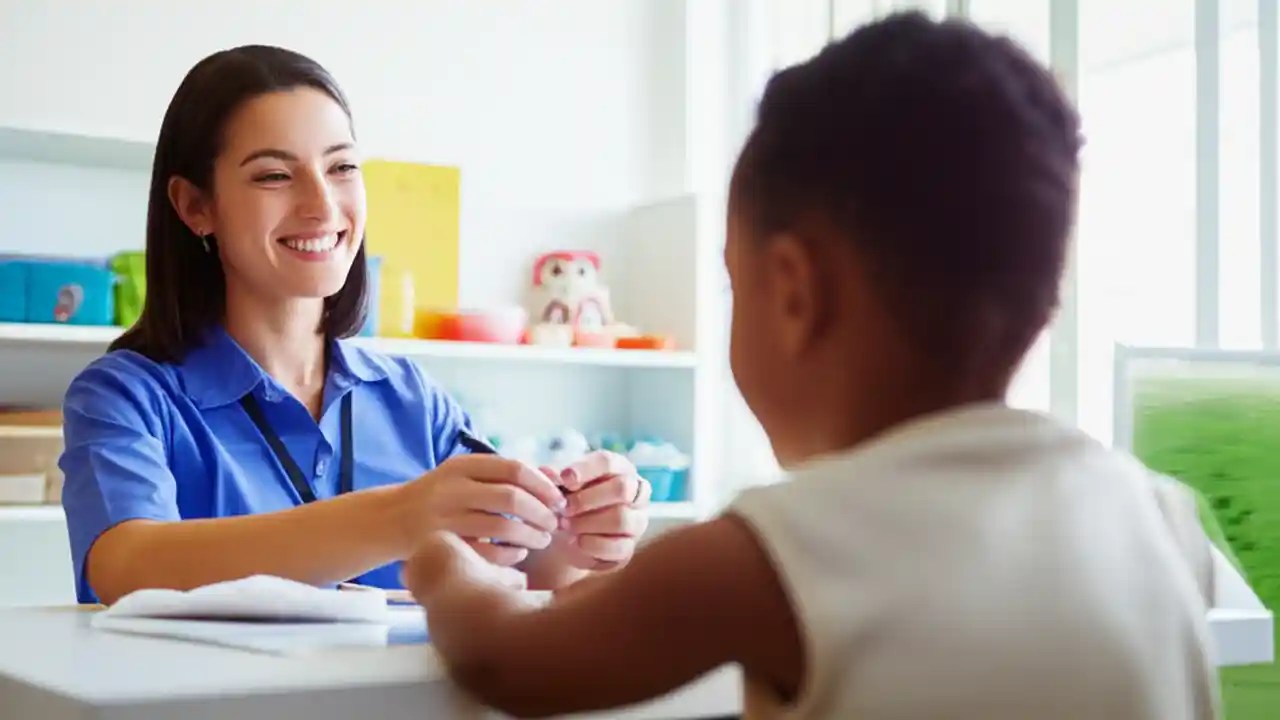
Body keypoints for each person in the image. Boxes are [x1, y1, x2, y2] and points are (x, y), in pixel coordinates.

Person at [402, 13, 1221, 720]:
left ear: (794, 290)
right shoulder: (1163, 518)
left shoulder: (771, 550)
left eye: (733, 282)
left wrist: (448, 571)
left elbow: (506, 660)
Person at [58, 44, 650, 606]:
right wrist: (398, 518)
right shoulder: (125, 396)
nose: (322, 205)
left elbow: (521, 565)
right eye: (273, 175)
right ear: (195, 207)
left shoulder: (410, 398)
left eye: (342, 167)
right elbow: (127, 567)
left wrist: (577, 532)